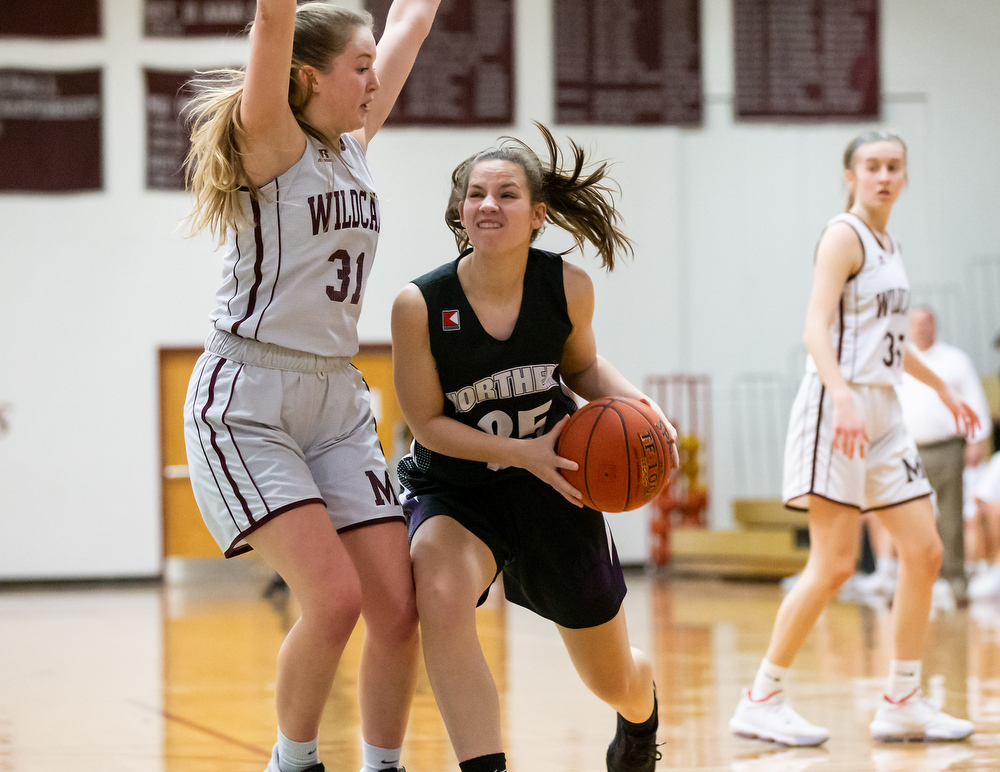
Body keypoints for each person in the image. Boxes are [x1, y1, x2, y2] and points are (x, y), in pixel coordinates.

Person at [180, 2, 440, 772]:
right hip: (248, 400)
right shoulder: (270, 142)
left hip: (334, 399)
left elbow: (412, 23)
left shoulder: (354, 145)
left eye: (372, 67)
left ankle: (383, 766)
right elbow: (271, 18)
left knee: (397, 608)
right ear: (306, 76)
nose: (373, 80)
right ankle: (292, 763)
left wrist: (409, 25)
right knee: (335, 599)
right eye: (358, 68)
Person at [390, 124, 679, 772]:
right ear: (461, 211)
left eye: (507, 193)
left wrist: (646, 411)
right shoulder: (419, 304)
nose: (488, 204)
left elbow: (583, 369)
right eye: (476, 194)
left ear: (538, 213)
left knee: (611, 679)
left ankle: (640, 719)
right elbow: (427, 424)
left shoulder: (567, 288)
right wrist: (525, 453)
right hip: (459, 489)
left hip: (562, 488)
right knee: (437, 590)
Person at [729, 130, 980, 746]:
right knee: (835, 564)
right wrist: (840, 394)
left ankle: (902, 701)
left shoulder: (891, 245)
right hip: (833, 405)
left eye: (894, 165)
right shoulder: (844, 235)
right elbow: (816, 328)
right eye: (872, 166)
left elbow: (886, 343)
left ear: (905, 176)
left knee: (924, 553)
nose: (884, 175)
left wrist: (942, 387)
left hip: (884, 410)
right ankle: (761, 697)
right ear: (851, 174)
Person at [896, 306, 991, 601]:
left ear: (935, 326)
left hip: (948, 447)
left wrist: (975, 441)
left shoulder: (955, 360)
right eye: (916, 324)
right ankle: (920, 577)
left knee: (952, 515)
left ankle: (955, 577)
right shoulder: (898, 360)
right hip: (909, 449)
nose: (922, 329)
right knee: (914, 516)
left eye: (927, 323)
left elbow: (974, 399)